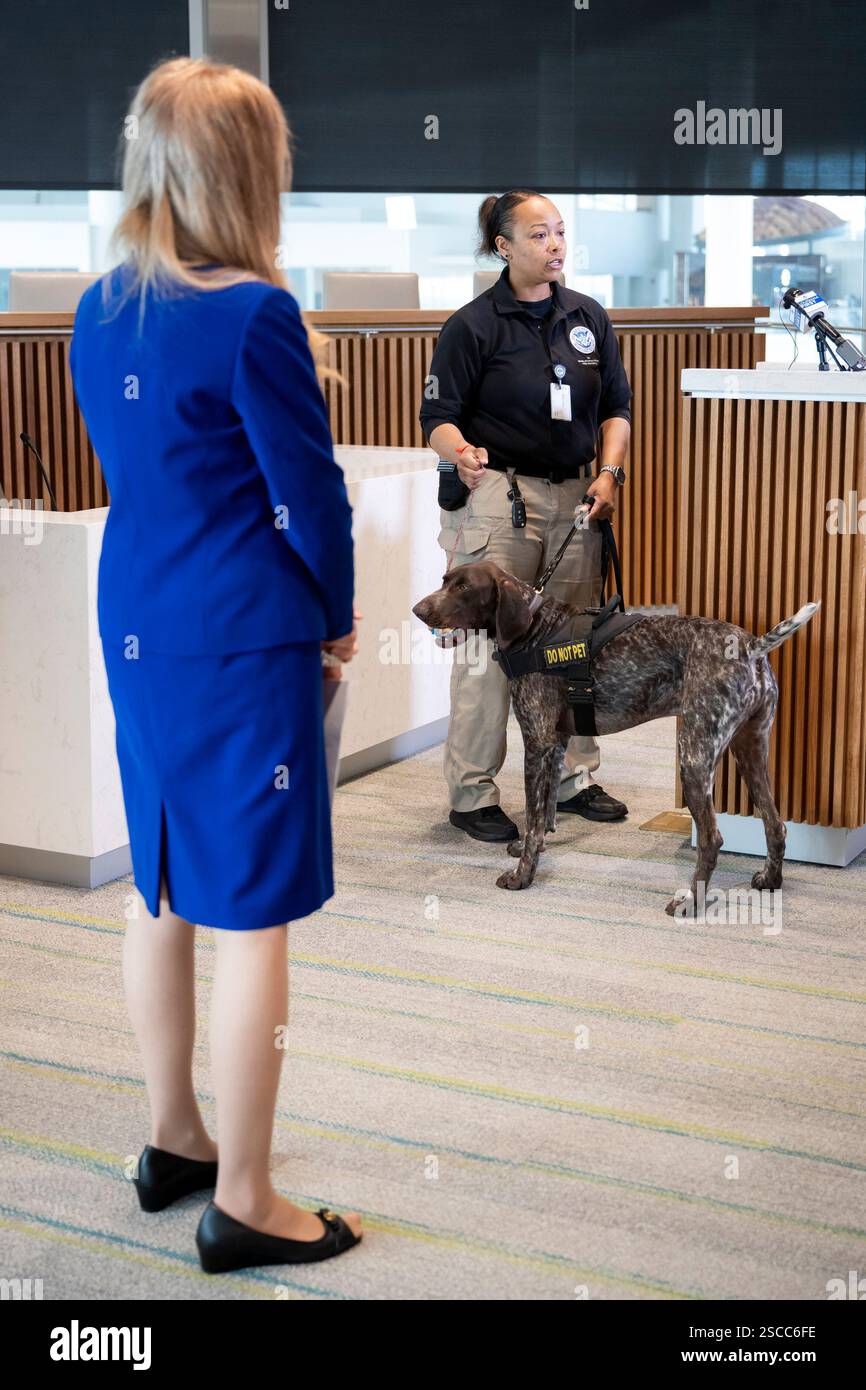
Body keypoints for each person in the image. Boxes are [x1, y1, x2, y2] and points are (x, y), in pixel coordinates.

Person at [69, 57, 362, 1273]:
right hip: (243, 642)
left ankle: (174, 1139)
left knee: (162, 889)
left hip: (139, 621)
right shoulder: (254, 313)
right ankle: (245, 1198)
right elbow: (311, 502)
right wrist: (337, 620)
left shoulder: (98, 306)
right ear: (251, 173)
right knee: (252, 921)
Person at [419, 189, 632, 843]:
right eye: (538, 235)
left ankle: (574, 778)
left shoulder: (588, 317)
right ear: (503, 247)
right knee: (489, 650)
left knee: (569, 644)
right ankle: (472, 793)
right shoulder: (473, 325)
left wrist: (610, 472)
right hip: (499, 501)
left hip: (578, 498)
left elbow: (616, 407)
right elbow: (436, 419)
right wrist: (462, 453)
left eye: (560, 232)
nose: (555, 245)